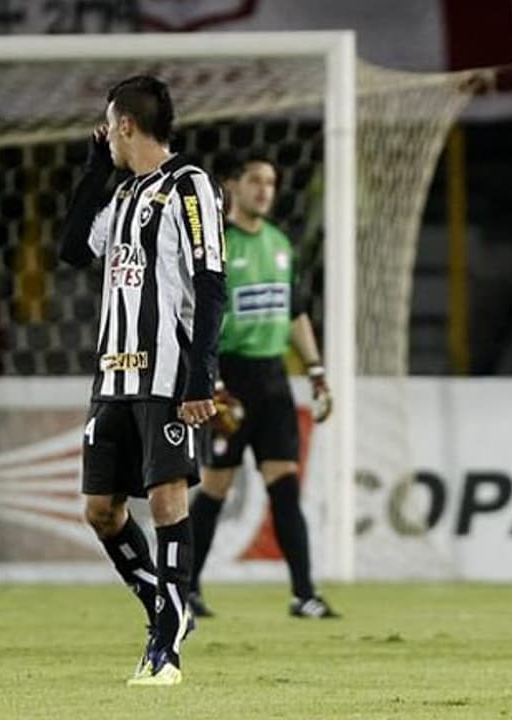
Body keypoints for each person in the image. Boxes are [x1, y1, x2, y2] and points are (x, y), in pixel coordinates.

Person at [58, 75, 226, 686]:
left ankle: (165, 647)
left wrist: (201, 377)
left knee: (165, 500)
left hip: (167, 374)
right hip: (112, 376)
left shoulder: (192, 187)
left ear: (125, 123)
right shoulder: (123, 194)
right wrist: (94, 172)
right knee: (101, 510)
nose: (106, 134)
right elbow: (75, 248)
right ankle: (167, 601)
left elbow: (210, 285)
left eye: (109, 125)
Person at [186, 153, 337, 619]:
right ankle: (185, 590)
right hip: (230, 378)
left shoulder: (280, 244)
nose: (265, 190)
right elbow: (195, 316)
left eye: (271, 182)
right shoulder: (219, 247)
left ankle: (304, 594)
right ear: (232, 185)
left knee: (286, 486)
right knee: (214, 488)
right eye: (255, 181)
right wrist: (207, 380)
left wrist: (315, 371)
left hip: (273, 378)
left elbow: (295, 313)